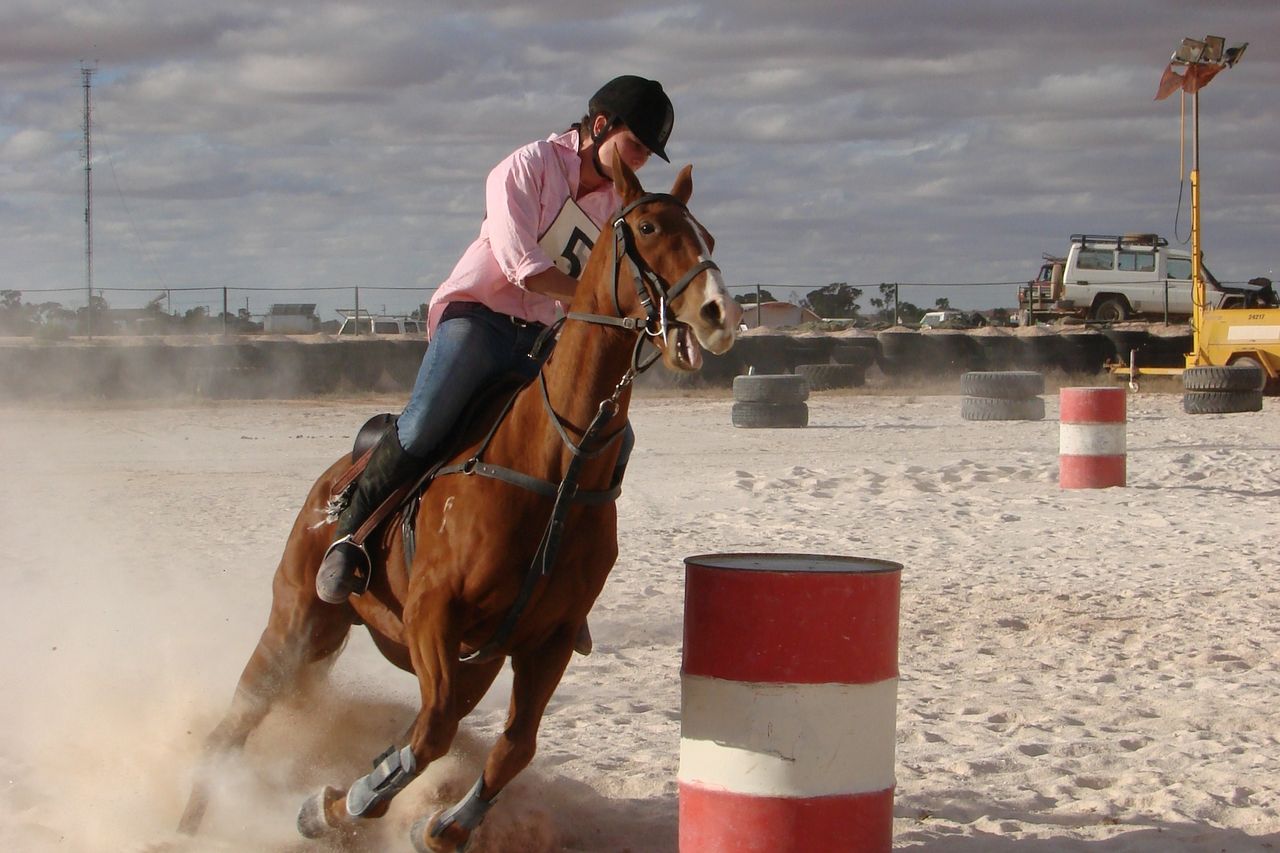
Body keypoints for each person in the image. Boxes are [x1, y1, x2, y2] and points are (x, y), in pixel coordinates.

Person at [315, 75, 674, 610]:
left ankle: (558, 576)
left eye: (648, 154)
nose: (640, 161)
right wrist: (593, 302)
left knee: (613, 440)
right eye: (637, 145)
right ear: (601, 126)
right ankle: (349, 539)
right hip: (478, 321)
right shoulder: (525, 166)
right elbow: (521, 265)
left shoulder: (613, 208)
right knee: (427, 420)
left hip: (540, 340)